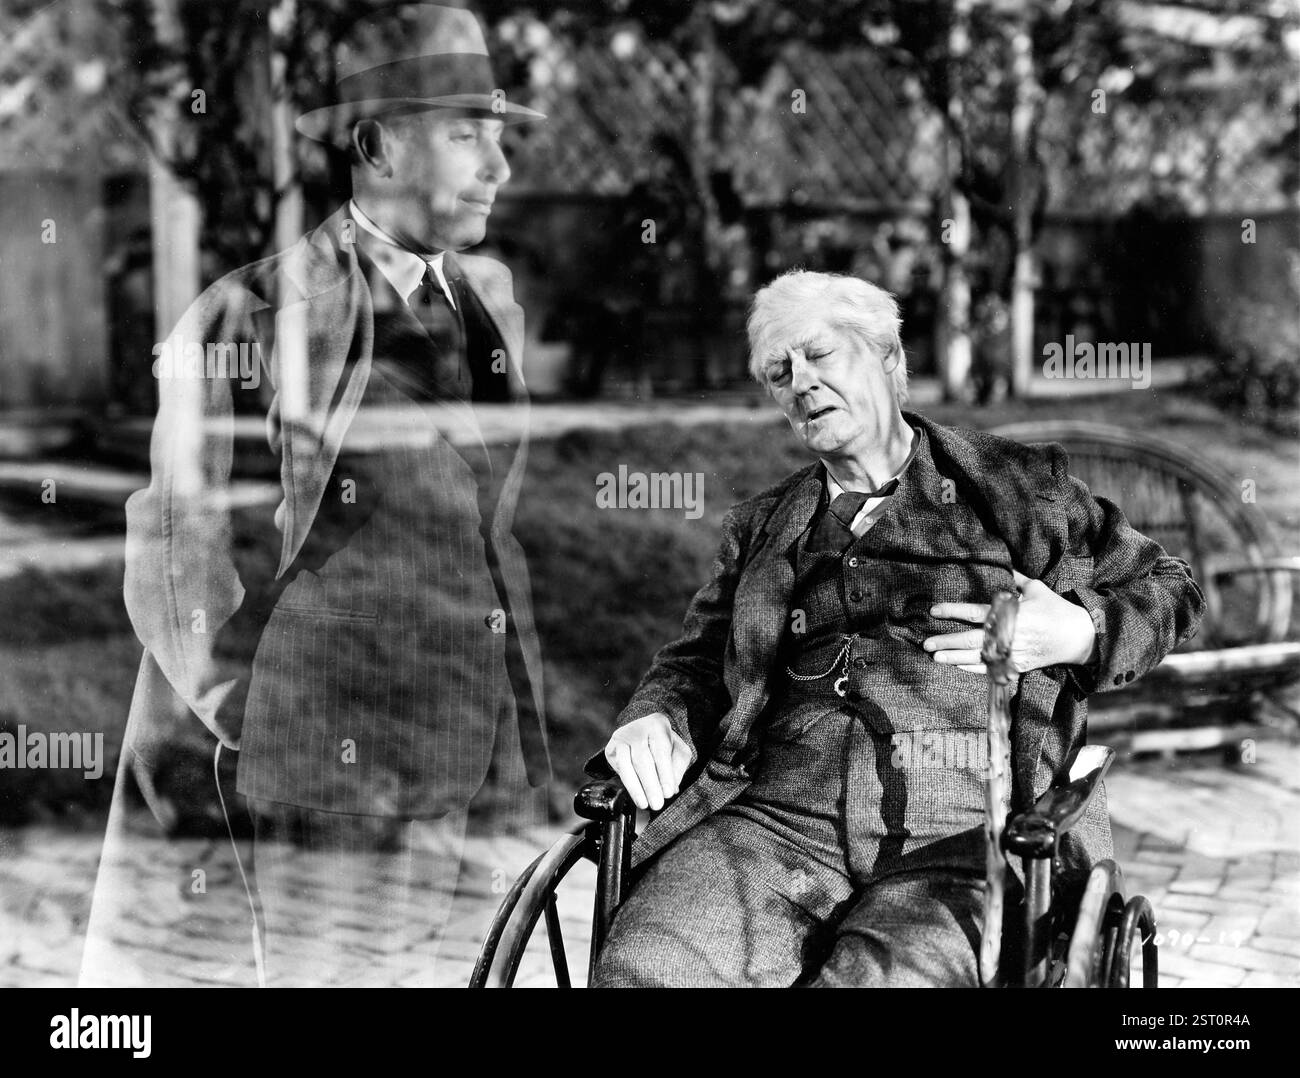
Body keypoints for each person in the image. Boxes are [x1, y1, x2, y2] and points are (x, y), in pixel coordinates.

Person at [81, 3, 549, 987]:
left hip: (441, 739)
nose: (499, 170)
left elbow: (491, 527)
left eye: (499, 139)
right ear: (376, 144)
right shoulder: (248, 317)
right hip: (294, 747)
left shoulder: (487, 303)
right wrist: (255, 717)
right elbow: (183, 547)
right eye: (467, 138)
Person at [590, 269, 1205, 987]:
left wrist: (1075, 632)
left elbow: (1171, 588)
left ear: (889, 359)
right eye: (778, 371)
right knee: (649, 967)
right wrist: (654, 716)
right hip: (779, 822)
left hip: (963, 831)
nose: (800, 383)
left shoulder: (1014, 489)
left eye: (820, 356)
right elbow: (693, 664)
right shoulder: (763, 527)